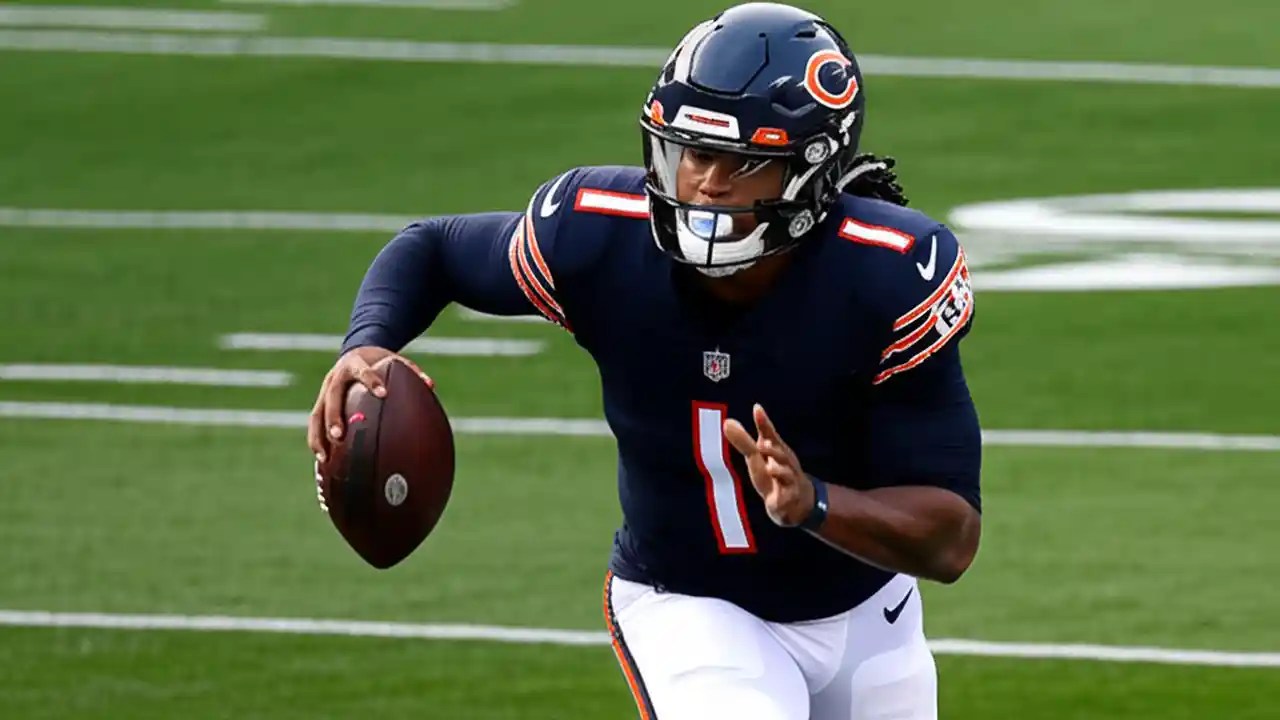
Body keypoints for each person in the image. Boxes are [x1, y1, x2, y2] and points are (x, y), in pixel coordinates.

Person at [307, 3, 982, 718]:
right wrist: (368, 344)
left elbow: (951, 539)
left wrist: (812, 502)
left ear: (812, 170)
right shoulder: (598, 234)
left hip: (866, 610)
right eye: (694, 152)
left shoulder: (887, 275)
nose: (708, 184)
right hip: (689, 601)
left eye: (745, 161)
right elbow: (434, 249)